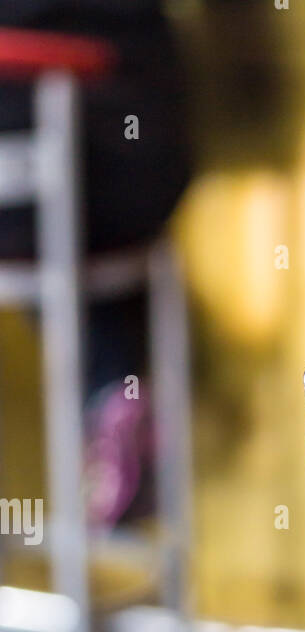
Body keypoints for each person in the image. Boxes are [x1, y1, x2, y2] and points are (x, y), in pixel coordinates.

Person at [0, 0, 191, 526]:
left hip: (29, 184)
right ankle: (115, 395)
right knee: (73, 253)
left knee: (47, 238)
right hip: (146, 168)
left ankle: (114, 397)